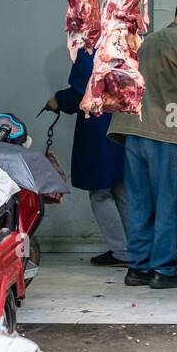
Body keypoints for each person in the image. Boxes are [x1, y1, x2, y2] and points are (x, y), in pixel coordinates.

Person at [109, 0, 177, 290]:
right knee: (168, 202)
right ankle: (164, 269)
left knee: (139, 202)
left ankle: (138, 267)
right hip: (165, 133)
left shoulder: (148, 41)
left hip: (133, 131)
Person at [45, 48, 129, 268]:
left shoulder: (90, 50)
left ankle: (122, 251)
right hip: (125, 124)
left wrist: (58, 100)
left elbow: (82, 92)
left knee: (100, 192)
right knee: (122, 188)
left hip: (98, 125)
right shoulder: (123, 46)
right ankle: (137, 248)